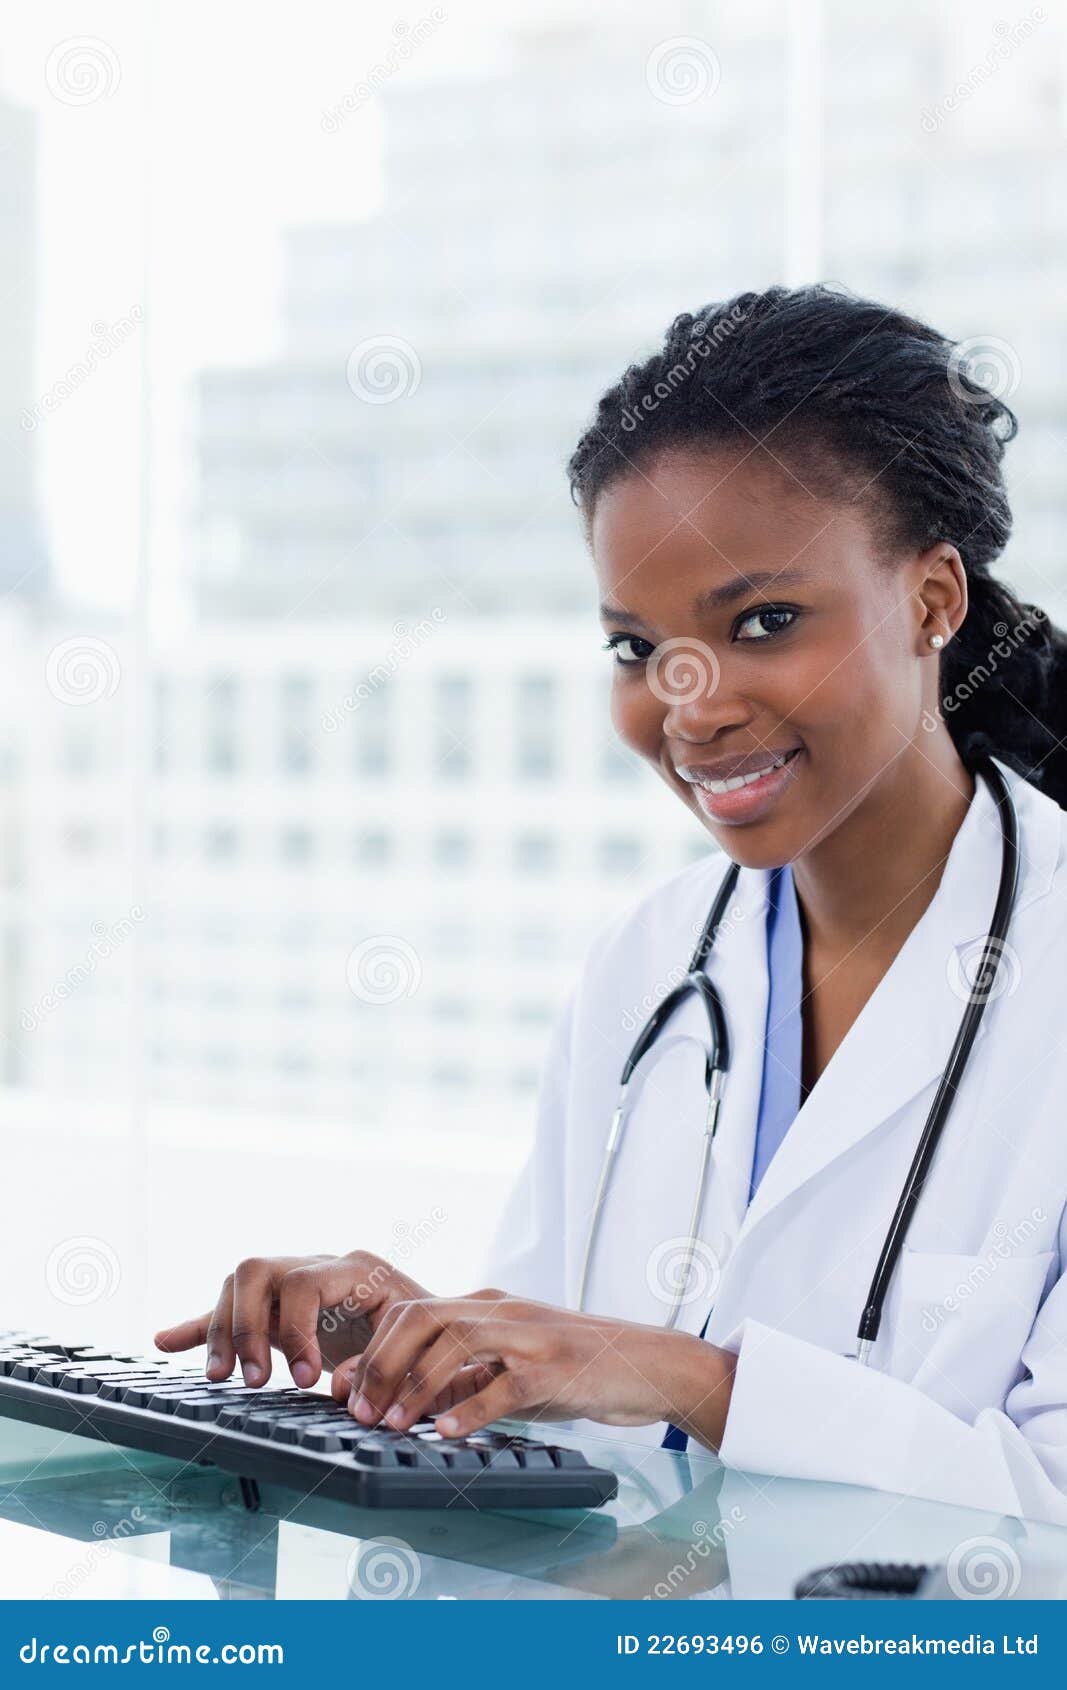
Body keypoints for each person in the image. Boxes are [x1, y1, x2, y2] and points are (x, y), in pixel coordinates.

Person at [157, 286, 1067, 1524]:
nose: (686, 703)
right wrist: (420, 1341)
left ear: (932, 599)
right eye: (633, 647)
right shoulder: (648, 962)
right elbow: (577, 1399)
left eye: (763, 621)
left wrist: (686, 1378)